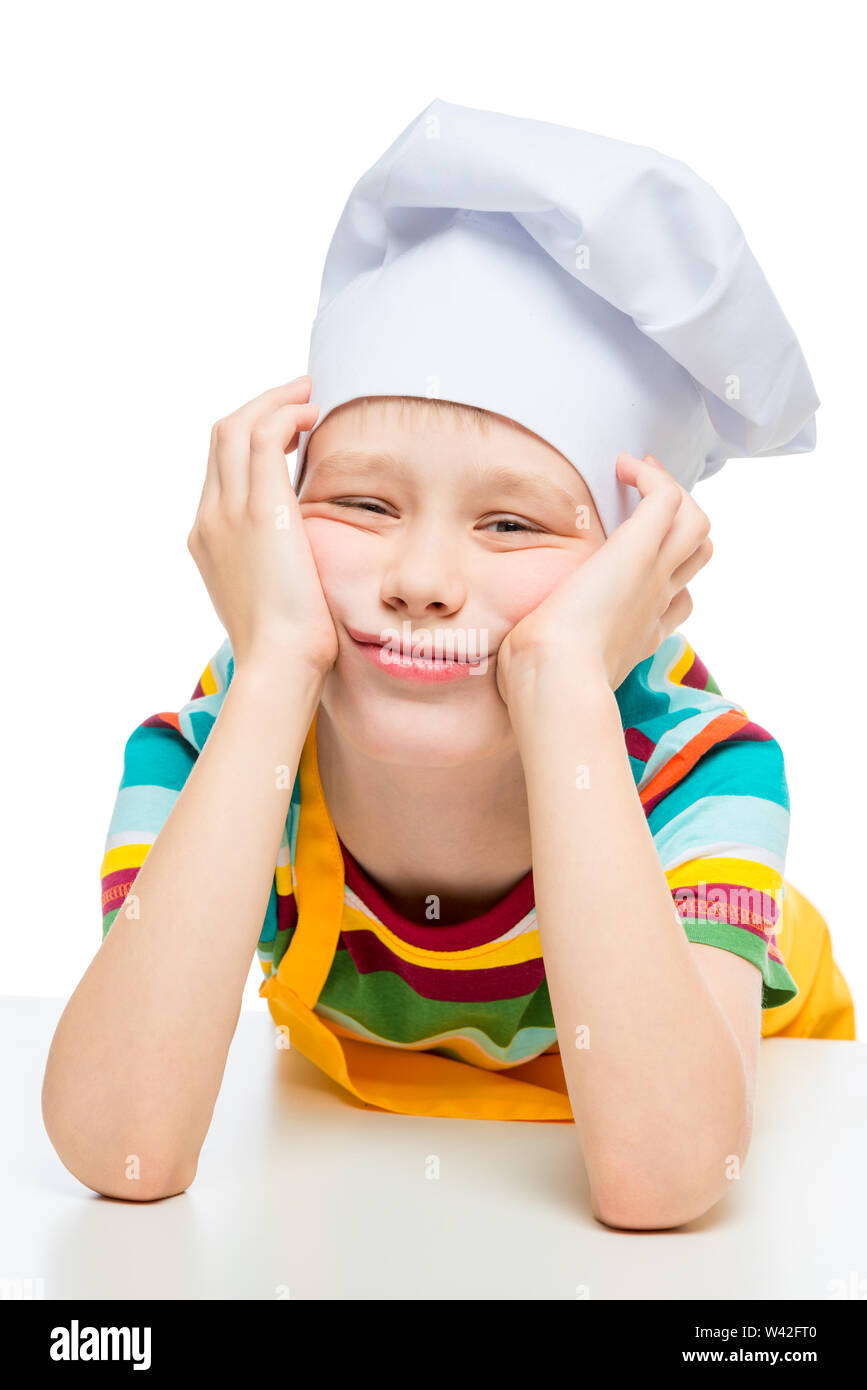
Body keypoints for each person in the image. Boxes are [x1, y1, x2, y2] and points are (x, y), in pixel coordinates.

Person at [42, 100, 855, 1229]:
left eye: (513, 526)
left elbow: (667, 1183)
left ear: (637, 575)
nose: (421, 575)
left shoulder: (702, 773)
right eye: (363, 502)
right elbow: (122, 1152)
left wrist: (567, 680)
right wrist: (276, 659)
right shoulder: (217, 754)